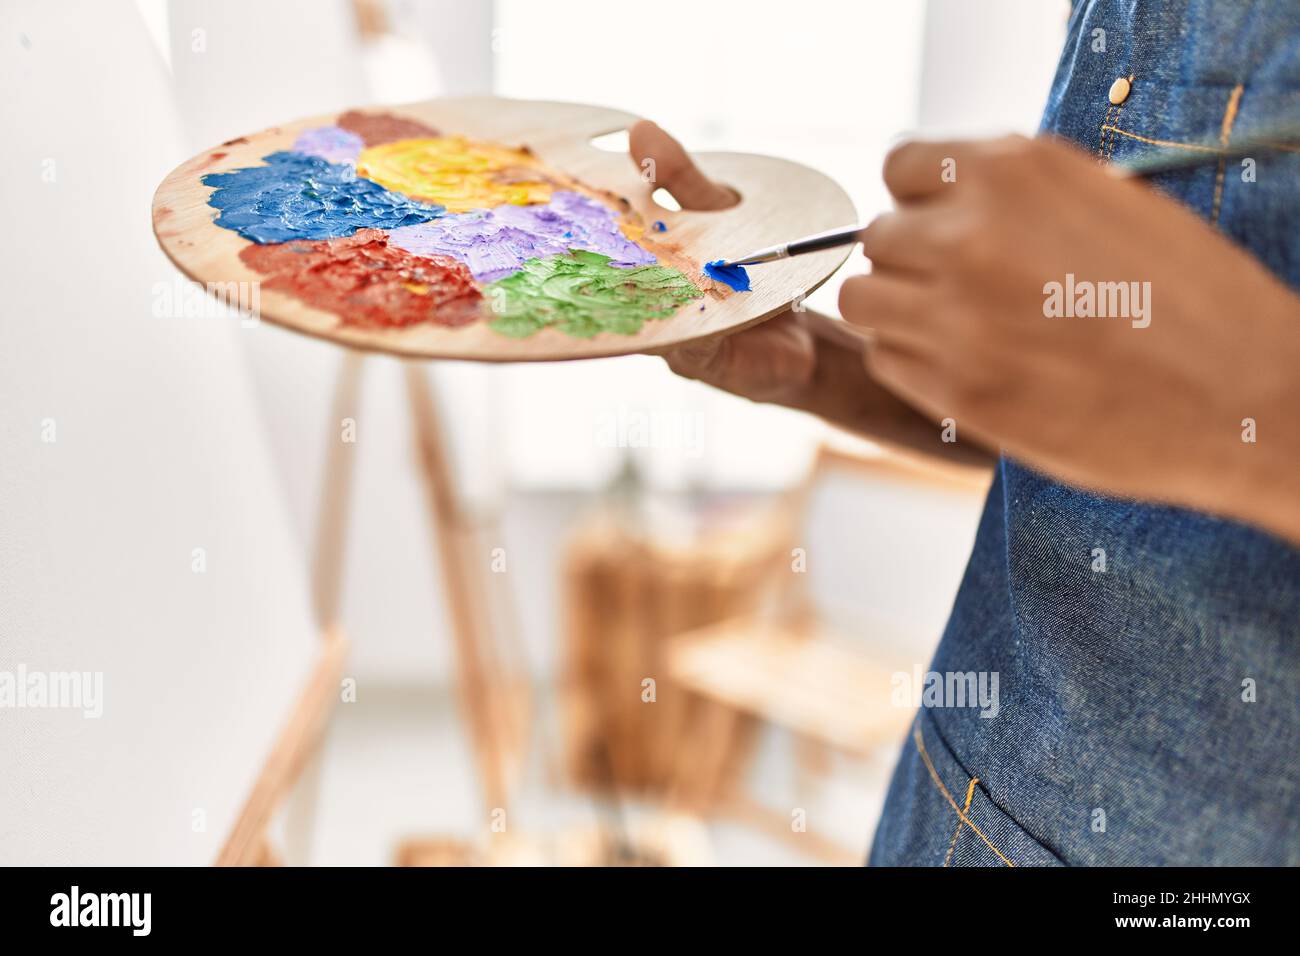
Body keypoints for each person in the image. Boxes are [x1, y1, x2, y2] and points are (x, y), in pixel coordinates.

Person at [630, 0, 1300, 865]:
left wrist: (1245, 396)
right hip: (948, 803)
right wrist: (824, 368)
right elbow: (1099, 431)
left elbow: (1189, 404)